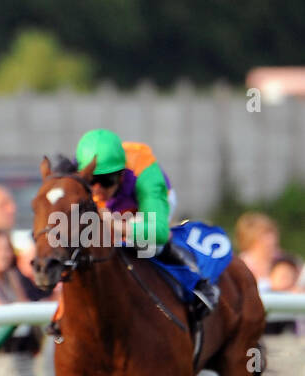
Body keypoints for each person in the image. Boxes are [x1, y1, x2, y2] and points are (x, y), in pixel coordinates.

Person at [73, 128, 220, 315]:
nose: (97, 189)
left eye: (106, 180)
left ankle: (198, 284)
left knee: (145, 244)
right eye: (91, 181)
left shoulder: (145, 171)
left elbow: (158, 231)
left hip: (145, 205)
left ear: (121, 174)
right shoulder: (79, 166)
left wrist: (114, 224)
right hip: (112, 207)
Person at [234, 212, 280, 287]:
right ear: (251, 240)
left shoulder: (285, 261)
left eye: (272, 233)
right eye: (265, 235)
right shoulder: (240, 266)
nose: (272, 239)